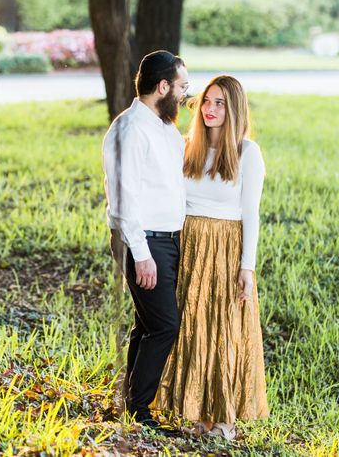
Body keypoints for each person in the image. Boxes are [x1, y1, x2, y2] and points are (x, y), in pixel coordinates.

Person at [154, 74, 268, 439]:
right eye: (206, 101)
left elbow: (251, 212)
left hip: (225, 246)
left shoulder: (247, 153)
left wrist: (246, 266)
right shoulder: (189, 147)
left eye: (219, 103)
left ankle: (224, 418)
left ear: (234, 109)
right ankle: (197, 412)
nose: (210, 109)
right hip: (187, 244)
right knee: (191, 325)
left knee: (222, 327)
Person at [102, 50, 190, 430]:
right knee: (165, 325)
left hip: (166, 240)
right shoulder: (129, 129)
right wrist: (142, 254)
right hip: (143, 242)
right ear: (163, 86)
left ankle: (130, 404)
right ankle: (139, 410)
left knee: (147, 323)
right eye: (183, 86)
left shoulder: (164, 125)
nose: (188, 94)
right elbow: (123, 198)